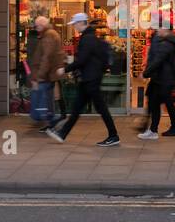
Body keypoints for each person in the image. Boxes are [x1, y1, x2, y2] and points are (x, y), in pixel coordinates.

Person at [46, 12, 119, 147]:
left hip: (91, 79)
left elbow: (82, 60)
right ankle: (62, 133)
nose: (74, 26)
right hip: (90, 78)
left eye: (75, 24)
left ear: (81, 23)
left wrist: (64, 69)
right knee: (77, 108)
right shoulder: (90, 37)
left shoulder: (87, 39)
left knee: (99, 108)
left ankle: (113, 135)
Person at [27, 16, 65, 132]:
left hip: (46, 75)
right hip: (49, 74)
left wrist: (39, 76)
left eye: (37, 26)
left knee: (44, 99)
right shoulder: (49, 34)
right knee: (47, 99)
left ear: (42, 25)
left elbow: (46, 57)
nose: (36, 28)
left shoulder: (48, 35)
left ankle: (53, 121)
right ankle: (52, 122)